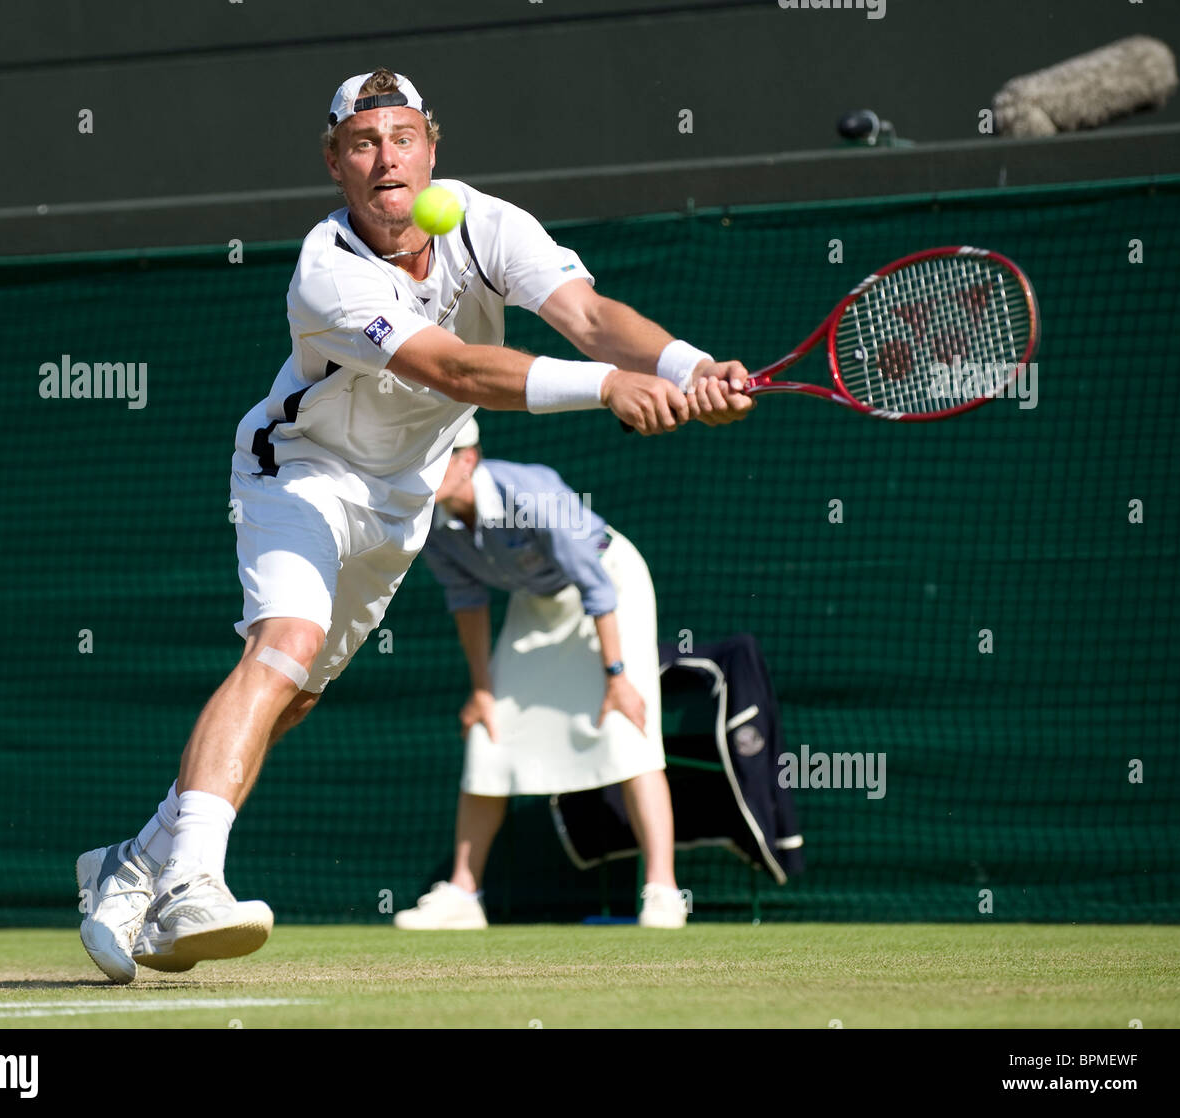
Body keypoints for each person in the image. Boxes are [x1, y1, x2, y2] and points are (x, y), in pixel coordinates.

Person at [75, 67, 752, 984]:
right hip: (301, 472)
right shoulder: (326, 273)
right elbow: (459, 372)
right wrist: (609, 389)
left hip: (402, 501)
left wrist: (690, 365)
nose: (386, 158)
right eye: (363, 143)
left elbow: (588, 315)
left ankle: (134, 862)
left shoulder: (487, 224)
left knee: (298, 694)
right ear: (335, 163)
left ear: (431, 148)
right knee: (284, 645)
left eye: (402, 138)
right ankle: (192, 878)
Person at [394, 418, 687, 929]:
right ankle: (464, 895)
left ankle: (663, 891)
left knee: (627, 730)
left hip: (610, 587)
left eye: (437, 455)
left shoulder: (530, 493)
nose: (423, 469)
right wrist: (482, 690)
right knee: (490, 734)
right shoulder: (429, 521)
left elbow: (596, 585)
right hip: (539, 602)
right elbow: (467, 600)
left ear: (468, 460)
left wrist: (617, 676)